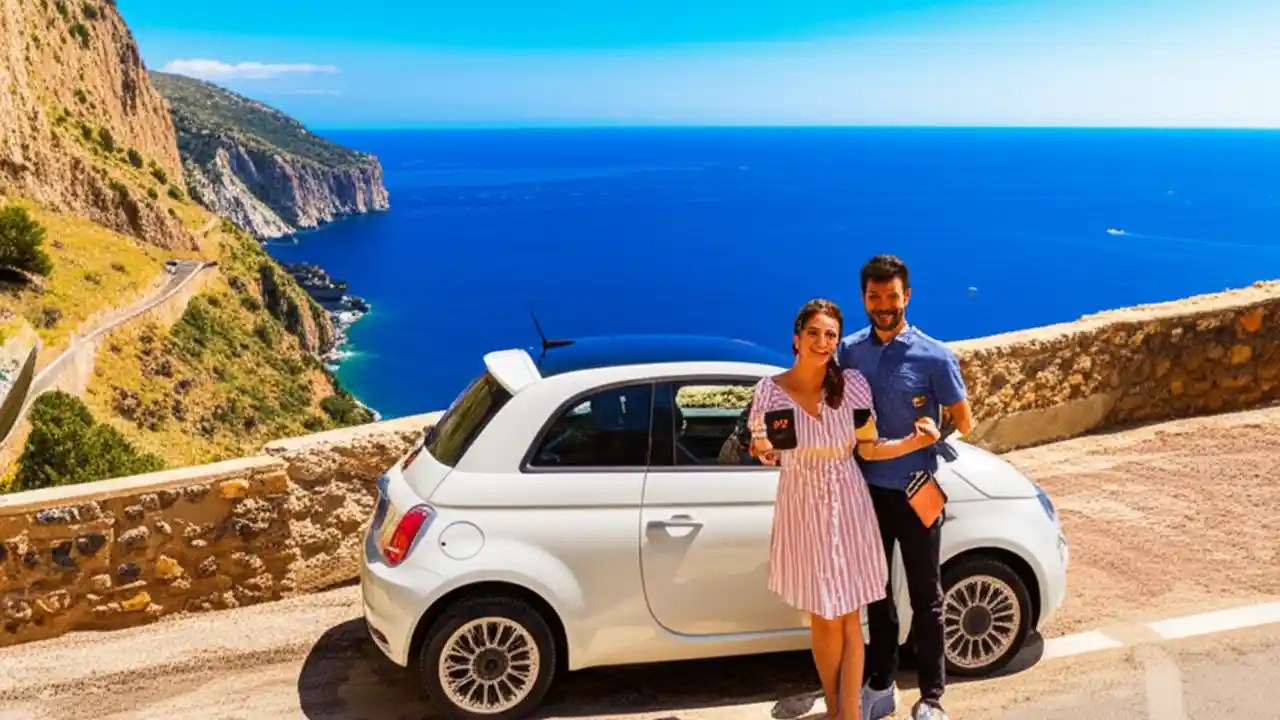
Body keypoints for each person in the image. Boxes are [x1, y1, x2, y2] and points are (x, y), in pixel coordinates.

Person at [748, 298, 943, 720]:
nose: (822, 342)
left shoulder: (851, 385)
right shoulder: (769, 391)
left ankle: (848, 713)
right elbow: (767, 449)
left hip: (849, 504)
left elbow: (868, 448)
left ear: (837, 343)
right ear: (796, 339)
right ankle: (836, 704)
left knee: (851, 617)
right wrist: (763, 449)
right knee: (823, 617)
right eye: (814, 333)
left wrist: (915, 441)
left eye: (830, 335)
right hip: (803, 508)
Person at [836, 255, 974, 720]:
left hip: (917, 490)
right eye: (874, 297)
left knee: (926, 596)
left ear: (907, 297)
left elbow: (965, 422)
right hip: (867, 491)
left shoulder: (935, 356)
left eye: (891, 297)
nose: (883, 306)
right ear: (864, 298)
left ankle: (932, 696)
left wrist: (938, 434)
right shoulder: (850, 351)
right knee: (876, 594)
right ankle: (881, 683)